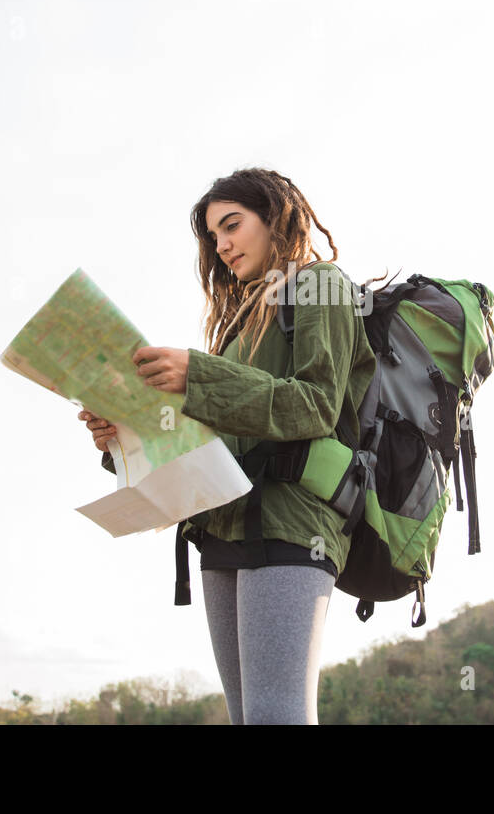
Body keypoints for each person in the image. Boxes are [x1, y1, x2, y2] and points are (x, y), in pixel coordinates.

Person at [78, 167, 377, 724]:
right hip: (223, 527)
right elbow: (213, 435)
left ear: (277, 217)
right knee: (248, 718)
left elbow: (315, 405)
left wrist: (199, 375)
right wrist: (123, 432)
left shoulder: (322, 284)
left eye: (232, 225)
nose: (222, 246)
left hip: (292, 523)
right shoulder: (240, 324)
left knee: (275, 715)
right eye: (213, 237)